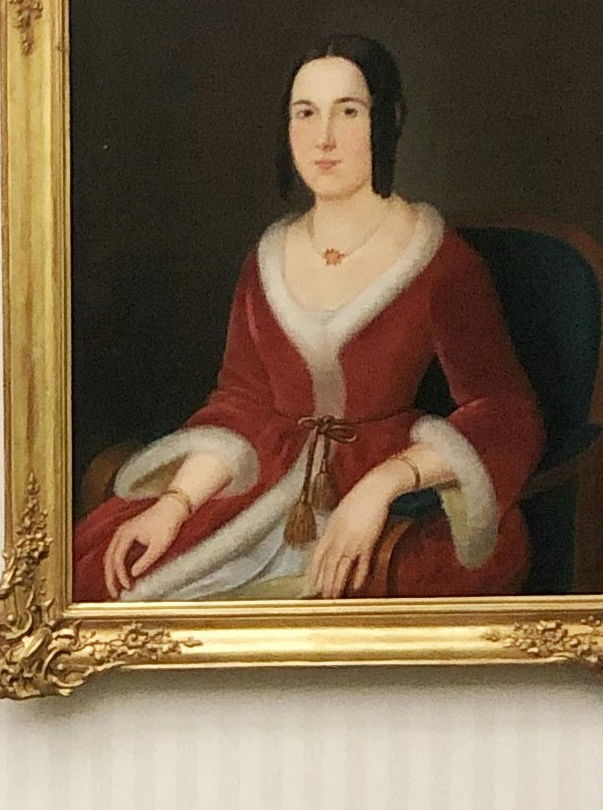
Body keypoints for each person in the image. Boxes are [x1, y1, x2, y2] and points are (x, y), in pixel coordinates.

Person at [74, 36, 546, 605]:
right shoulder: (267, 258)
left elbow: (504, 410)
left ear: (386, 121)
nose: (324, 138)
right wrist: (176, 505)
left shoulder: (440, 260)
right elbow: (242, 401)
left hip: (391, 500)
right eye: (306, 113)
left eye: (348, 111)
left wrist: (382, 485)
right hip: (261, 486)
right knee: (109, 579)